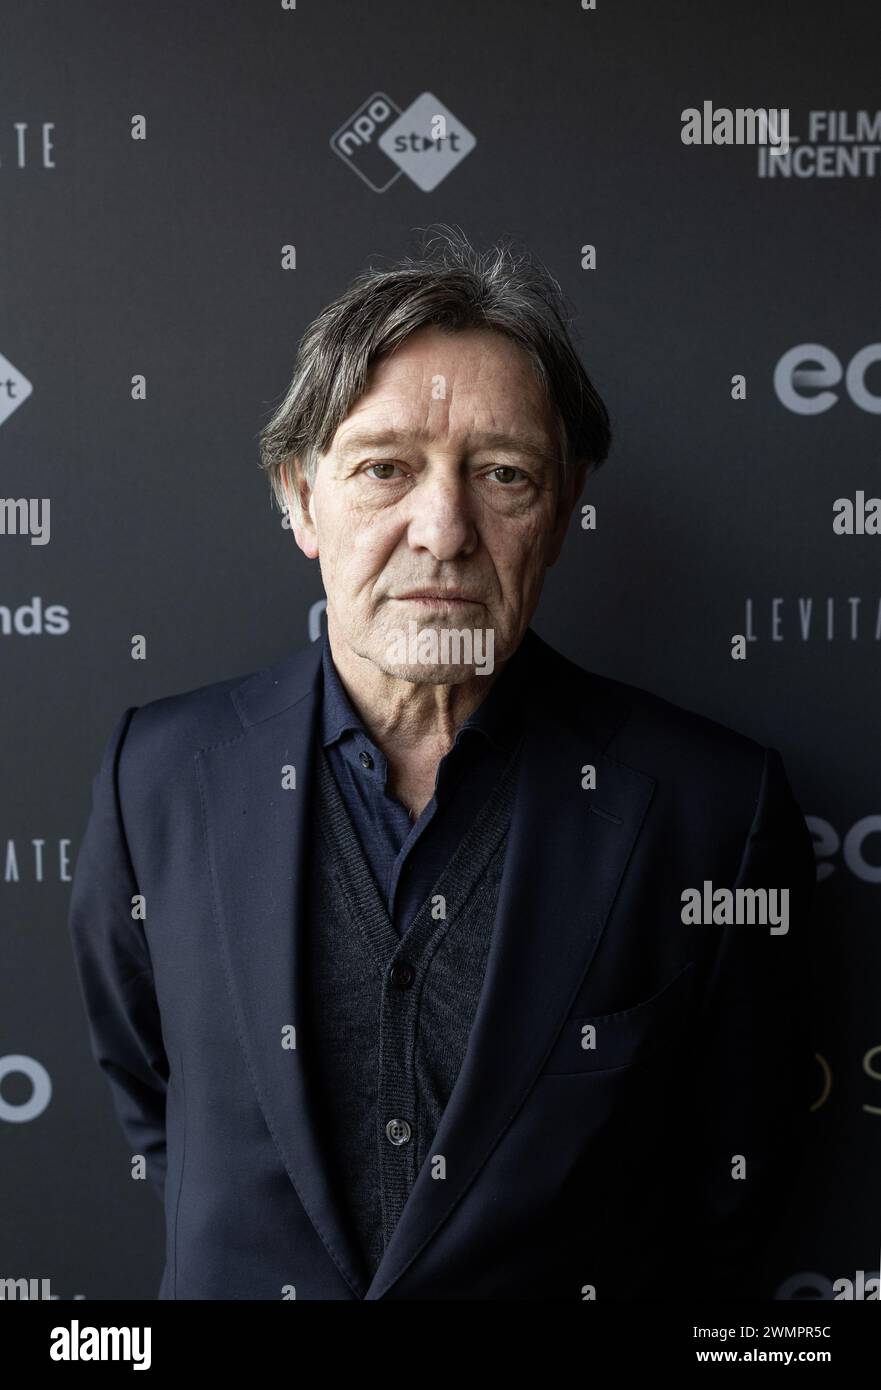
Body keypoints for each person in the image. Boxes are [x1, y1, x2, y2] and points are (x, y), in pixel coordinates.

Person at [69, 225, 815, 1300]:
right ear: (298, 498)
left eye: (501, 473)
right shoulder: (157, 777)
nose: (442, 528)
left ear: (560, 508)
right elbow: (155, 1098)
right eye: (384, 468)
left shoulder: (712, 810)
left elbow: (729, 1182)